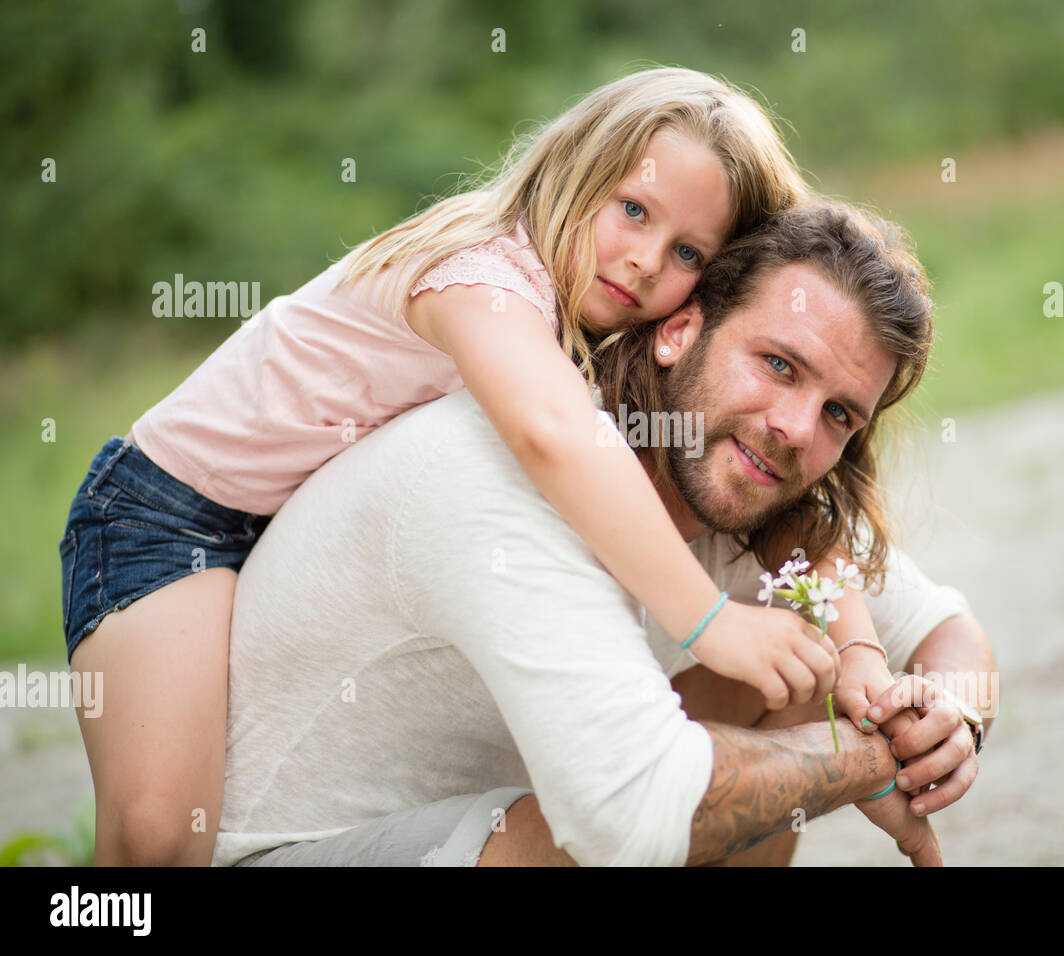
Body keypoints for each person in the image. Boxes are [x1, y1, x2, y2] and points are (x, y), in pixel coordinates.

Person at [58, 67, 855, 865]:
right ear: (575, 169)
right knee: (155, 839)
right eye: (633, 210)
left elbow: (808, 538)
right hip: (166, 512)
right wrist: (708, 621)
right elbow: (554, 435)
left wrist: (862, 658)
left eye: (686, 250)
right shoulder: (485, 277)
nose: (646, 260)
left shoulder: (597, 322)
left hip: (272, 516)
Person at [213, 202, 996, 867]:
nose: (794, 429)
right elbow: (627, 811)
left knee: (803, 655)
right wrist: (865, 763)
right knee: (604, 815)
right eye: (779, 365)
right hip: (294, 850)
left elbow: (948, 630)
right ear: (679, 331)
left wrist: (945, 722)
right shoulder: (499, 468)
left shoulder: (753, 502)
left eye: (838, 414)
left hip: (472, 828)